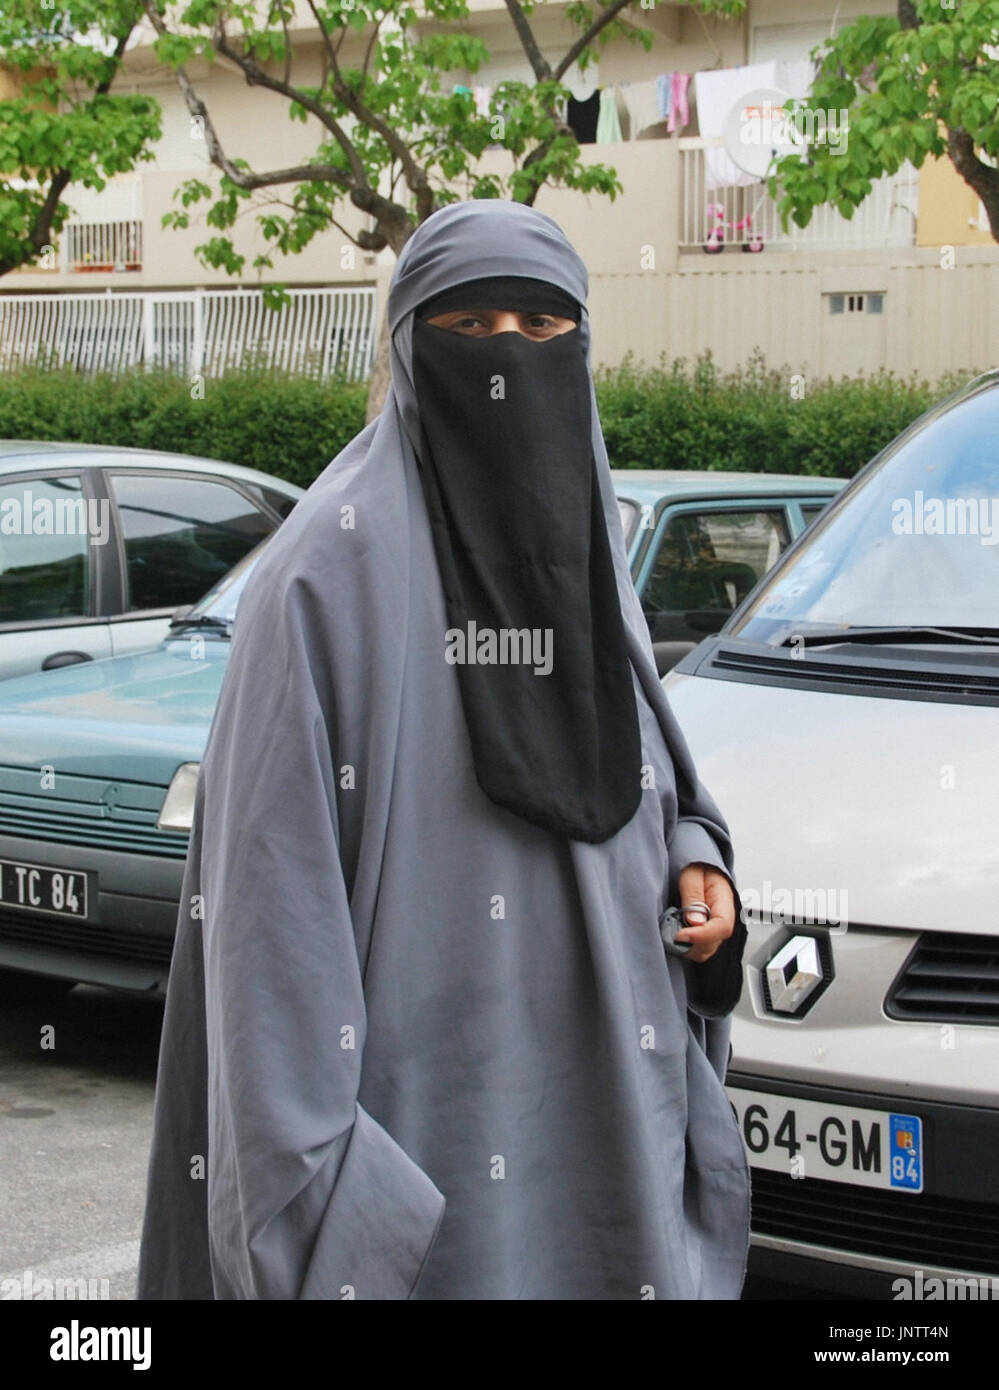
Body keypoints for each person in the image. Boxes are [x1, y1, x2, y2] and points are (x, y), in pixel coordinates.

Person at [137, 199, 750, 1302]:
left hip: (609, 1135)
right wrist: (337, 1221)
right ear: (411, 352)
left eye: (542, 328)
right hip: (429, 1178)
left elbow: (649, 775)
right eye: (470, 329)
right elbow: (268, 946)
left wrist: (699, 861)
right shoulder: (321, 581)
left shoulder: (584, 550)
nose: (510, 362)